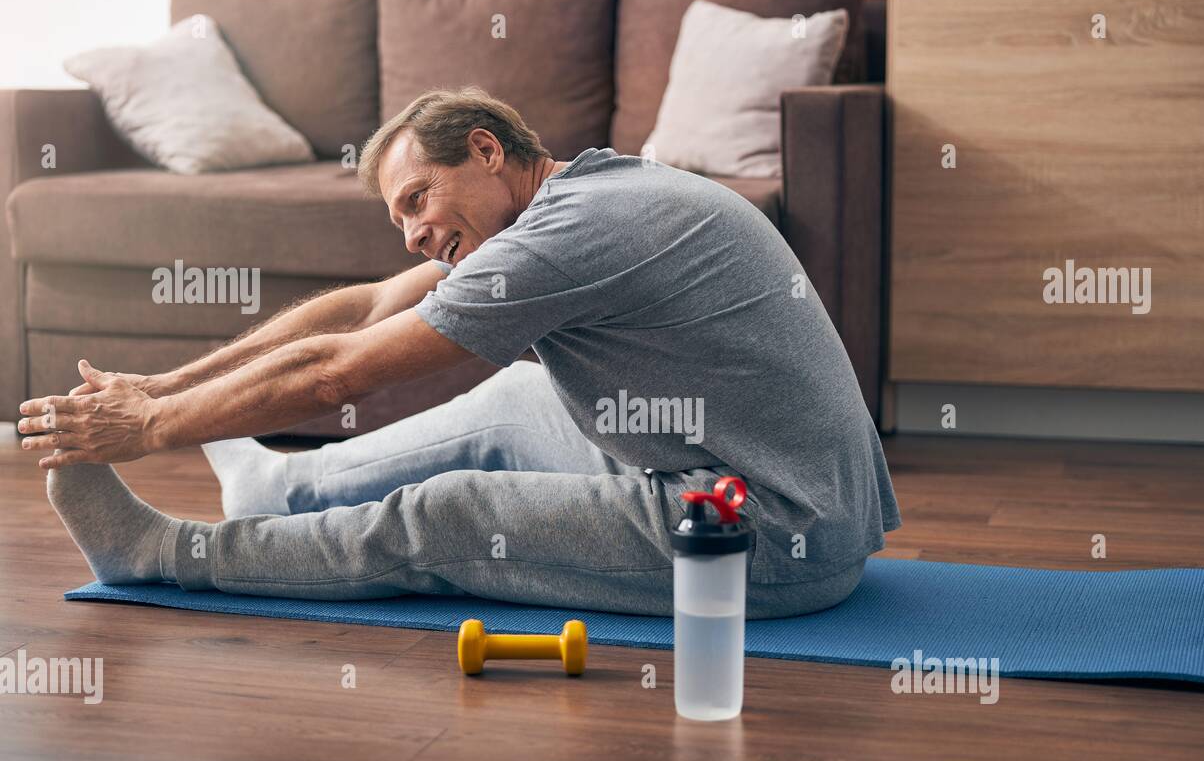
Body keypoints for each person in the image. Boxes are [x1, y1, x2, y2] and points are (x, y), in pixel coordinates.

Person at [18, 88, 899, 618]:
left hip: (772, 530)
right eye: (399, 219)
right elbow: (363, 309)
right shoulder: (584, 192)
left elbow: (338, 372)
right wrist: (162, 384)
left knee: (449, 513)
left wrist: (153, 426)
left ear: (486, 150)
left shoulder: (562, 240)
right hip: (748, 463)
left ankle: (164, 557)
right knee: (517, 398)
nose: (411, 235)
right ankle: (280, 489)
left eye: (417, 200)